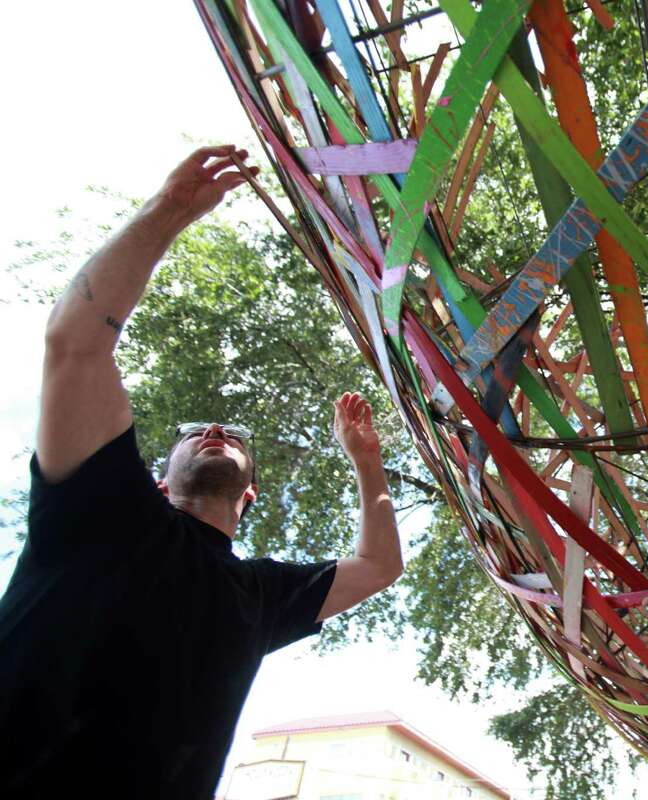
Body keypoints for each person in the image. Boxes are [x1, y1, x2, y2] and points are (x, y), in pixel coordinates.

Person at [0, 146, 405, 797]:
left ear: (249, 493)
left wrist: (368, 462)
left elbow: (380, 568)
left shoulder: (261, 597)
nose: (214, 430)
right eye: (194, 434)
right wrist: (167, 213)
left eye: (229, 435)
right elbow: (74, 342)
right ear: (160, 483)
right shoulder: (100, 511)